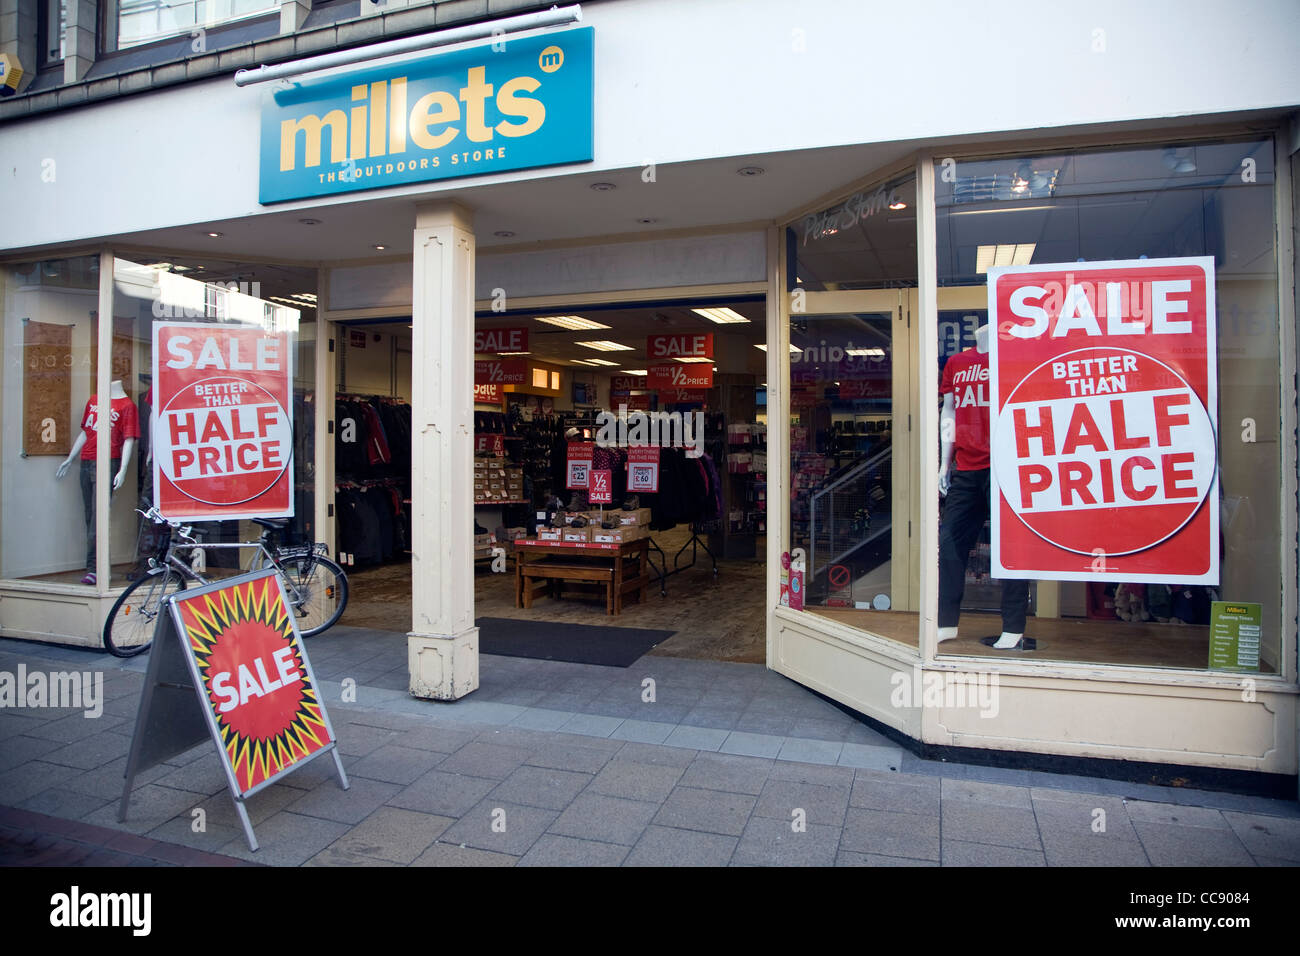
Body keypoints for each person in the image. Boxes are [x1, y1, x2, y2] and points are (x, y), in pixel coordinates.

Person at [938, 326, 1031, 649]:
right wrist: (944, 462)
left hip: (1005, 466)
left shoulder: (1013, 359)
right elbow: (948, 411)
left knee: (1011, 548)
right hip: (965, 466)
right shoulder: (956, 363)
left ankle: (1014, 625)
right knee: (949, 543)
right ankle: (946, 621)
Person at [55, 380, 139, 585]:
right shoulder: (94, 400)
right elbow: (86, 431)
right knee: (89, 516)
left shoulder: (127, 406)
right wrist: (70, 458)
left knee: (98, 519)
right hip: (86, 461)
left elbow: (129, 439)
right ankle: (96, 566)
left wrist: (122, 469)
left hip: (108, 462)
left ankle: (97, 569)